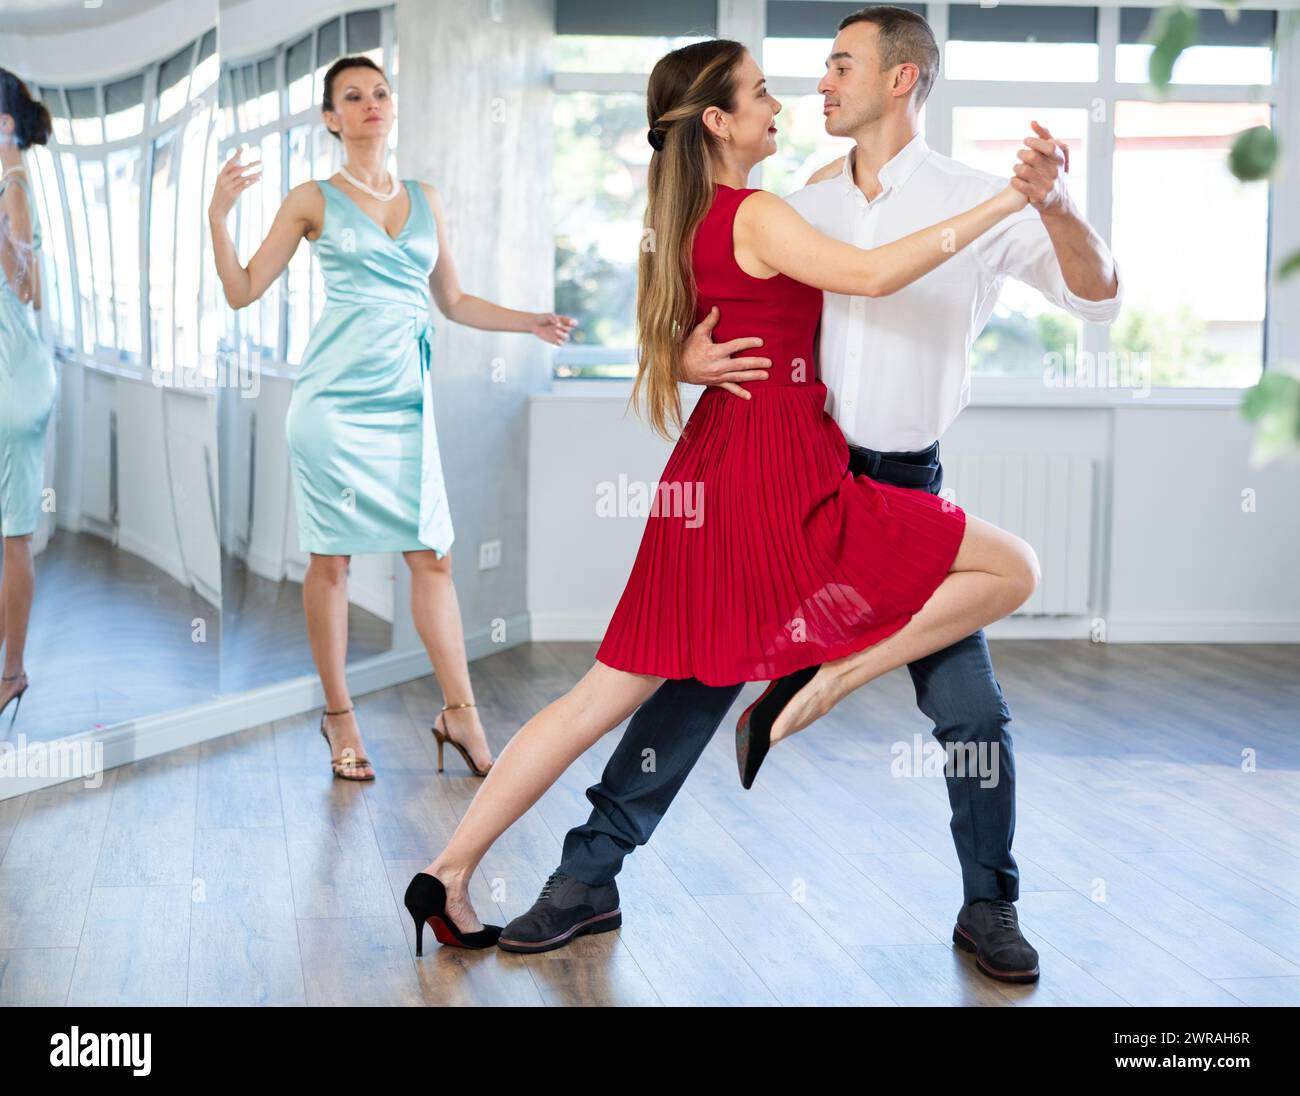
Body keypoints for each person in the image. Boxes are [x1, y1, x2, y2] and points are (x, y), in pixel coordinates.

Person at [512, 7, 1121, 985]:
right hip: (807, 477)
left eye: (840, 65)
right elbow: (708, 300)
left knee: (970, 715)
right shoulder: (799, 198)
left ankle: (987, 903)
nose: (817, 85)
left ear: (900, 80)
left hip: (903, 487)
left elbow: (1099, 295)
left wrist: (1048, 203)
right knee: (696, 682)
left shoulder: (983, 197)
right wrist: (678, 354)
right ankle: (586, 878)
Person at [403, 37, 1040, 958]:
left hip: (709, 472)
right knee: (1014, 566)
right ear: (717, 121)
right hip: (779, 475)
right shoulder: (759, 213)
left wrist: (676, 359)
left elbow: (681, 328)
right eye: (760, 93)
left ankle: (448, 871)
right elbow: (868, 274)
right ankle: (819, 686)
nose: (780, 103)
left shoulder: (690, 215)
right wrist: (1007, 201)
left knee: (600, 695)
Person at [209, 55, 576, 780]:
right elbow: (243, 290)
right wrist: (217, 216)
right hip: (332, 407)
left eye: (380, 92)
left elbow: (455, 301)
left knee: (431, 557)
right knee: (333, 561)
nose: (371, 103)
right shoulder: (311, 198)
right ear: (331, 118)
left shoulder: (424, 196)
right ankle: (339, 718)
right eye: (353, 96)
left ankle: (460, 712)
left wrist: (528, 320)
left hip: (403, 403)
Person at [0, 69, 56, 725]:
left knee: (13, 536)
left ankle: (12, 673)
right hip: (13, 372)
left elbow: (28, 286)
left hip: (13, 381)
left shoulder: (13, 185)